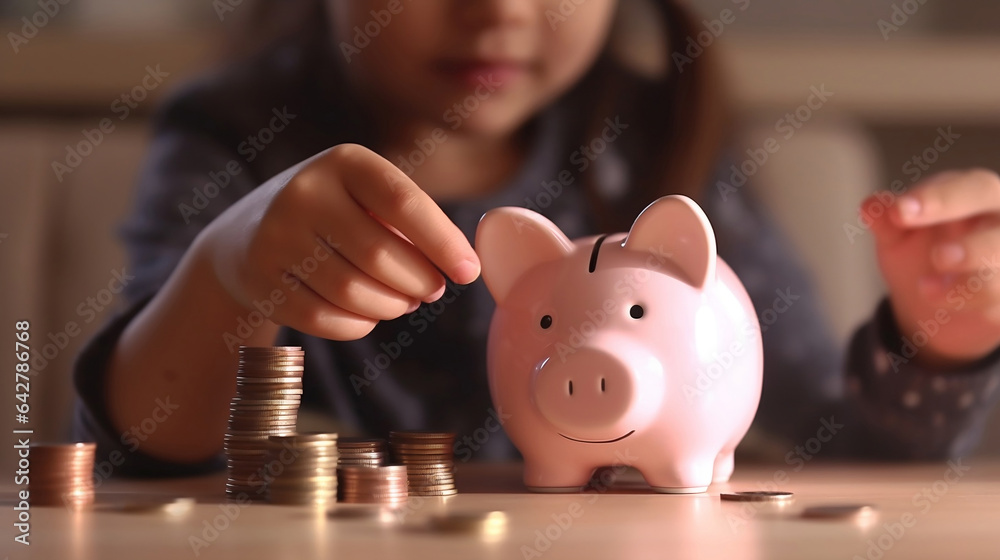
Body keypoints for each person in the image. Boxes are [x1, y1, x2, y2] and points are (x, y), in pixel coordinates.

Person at [74, 0, 1000, 476]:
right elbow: (131, 454)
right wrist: (226, 275)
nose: (500, 8)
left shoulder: (659, 134)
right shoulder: (234, 129)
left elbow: (822, 433)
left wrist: (937, 344)